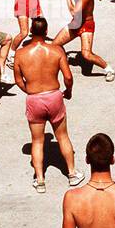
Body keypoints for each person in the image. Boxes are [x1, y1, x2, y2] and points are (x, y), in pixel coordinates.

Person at [14, 16, 85, 193]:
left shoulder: (21, 54)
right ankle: (72, 173)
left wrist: (30, 91)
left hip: (34, 98)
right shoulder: (56, 50)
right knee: (63, 136)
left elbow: (18, 80)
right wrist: (68, 91)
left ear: (31, 31)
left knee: (37, 141)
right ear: (46, 32)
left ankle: (40, 180)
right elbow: (68, 77)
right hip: (54, 96)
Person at [53, 0, 115, 82]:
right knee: (55, 45)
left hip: (86, 25)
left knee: (86, 54)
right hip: (76, 23)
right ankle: (64, 58)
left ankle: (109, 69)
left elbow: (73, 12)